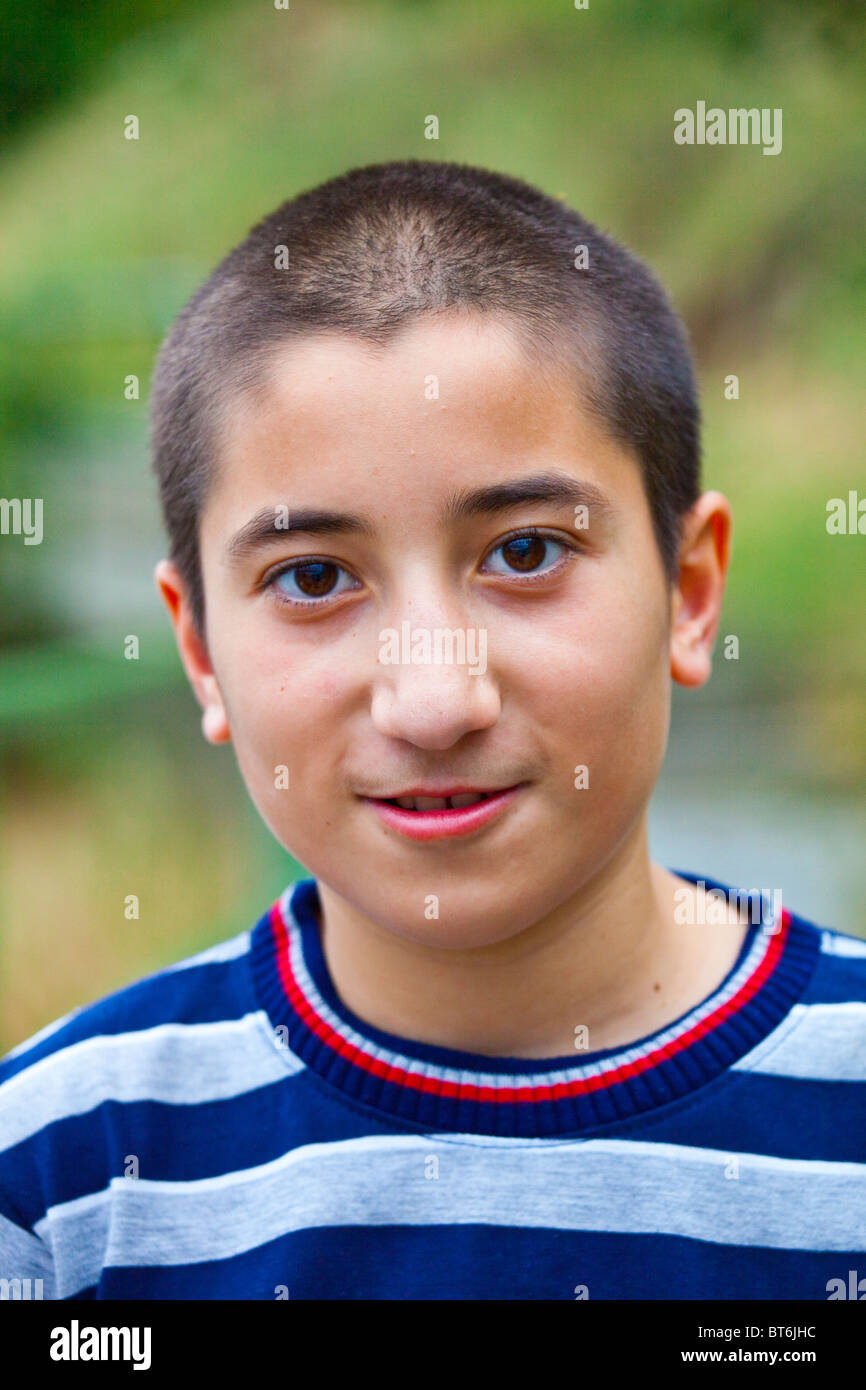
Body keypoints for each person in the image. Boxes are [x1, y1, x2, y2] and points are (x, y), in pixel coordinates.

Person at [1, 160, 863, 1300]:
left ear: (689, 593)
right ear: (201, 649)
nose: (434, 700)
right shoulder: (60, 1180)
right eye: (312, 576)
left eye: (524, 553)